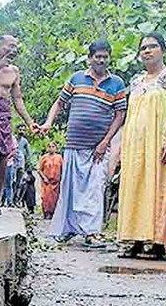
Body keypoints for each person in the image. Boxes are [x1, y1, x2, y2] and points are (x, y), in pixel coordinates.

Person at [40, 40, 126, 247]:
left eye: (105, 57)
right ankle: (67, 229)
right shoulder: (77, 79)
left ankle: (91, 233)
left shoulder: (116, 83)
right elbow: (59, 103)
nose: (102, 60)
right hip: (74, 143)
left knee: (95, 189)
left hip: (98, 147)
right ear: (89, 58)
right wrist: (48, 123)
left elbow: (119, 115)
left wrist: (105, 142)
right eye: (98, 56)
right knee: (71, 189)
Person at [116, 33, 166, 259]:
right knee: (135, 187)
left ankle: (157, 242)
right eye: (143, 48)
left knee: (159, 187)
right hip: (135, 145)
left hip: (159, 142)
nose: (147, 51)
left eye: (153, 46)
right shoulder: (136, 81)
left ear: (163, 50)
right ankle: (134, 239)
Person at [0, 35, 40, 216]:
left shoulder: (15, 71)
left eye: (16, 47)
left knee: (3, 160)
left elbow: (17, 99)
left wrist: (29, 121)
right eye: (10, 46)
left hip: (3, 116)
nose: (14, 50)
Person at [7, 124, 32, 207]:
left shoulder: (24, 141)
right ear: (16, 130)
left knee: (19, 183)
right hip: (12, 162)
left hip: (21, 163)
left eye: (23, 130)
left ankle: (16, 200)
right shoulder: (12, 139)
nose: (21, 131)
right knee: (11, 182)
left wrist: (29, 164)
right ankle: (8, 200)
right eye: (20, 129)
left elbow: (28, 154)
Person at [36, 142, 63, 218]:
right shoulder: (44, 157)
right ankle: (47, 213)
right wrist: (44, 178)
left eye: (53, 146)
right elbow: (39, 170)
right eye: (50, 146)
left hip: (56, 183)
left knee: (55, 198)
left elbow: (62, 169)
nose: (51, 148)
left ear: (55, 148)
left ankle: (54, 214)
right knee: (46, 198)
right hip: (46, 182)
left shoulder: (59, 158)